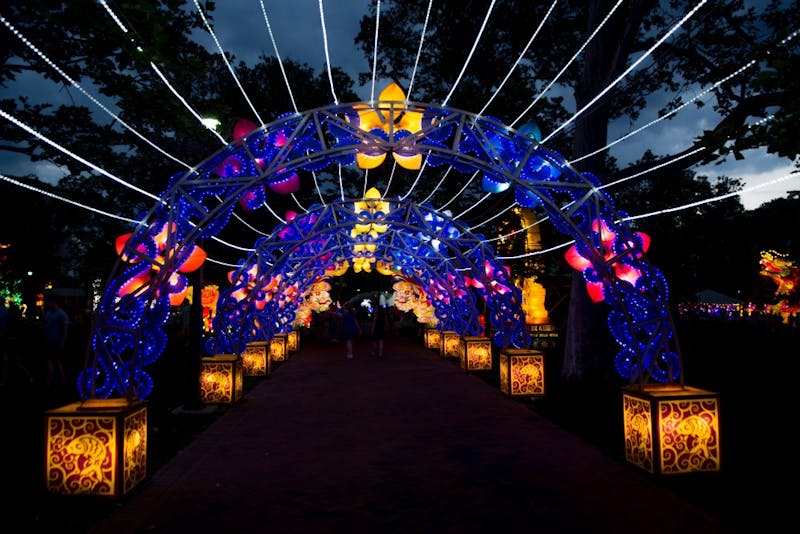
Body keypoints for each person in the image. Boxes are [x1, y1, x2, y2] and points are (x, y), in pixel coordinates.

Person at [43, 295, 68, 388]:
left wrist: (62, 342)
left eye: (50, 302)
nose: (48, 304)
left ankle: (50, 382)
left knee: (54, 361)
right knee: (55, 361)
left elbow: (64, 330)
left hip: (56, 341)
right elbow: (46, 326)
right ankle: (61, 381)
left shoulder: (61, 314)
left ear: (54, 302)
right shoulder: (48, 313)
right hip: (48, 340)